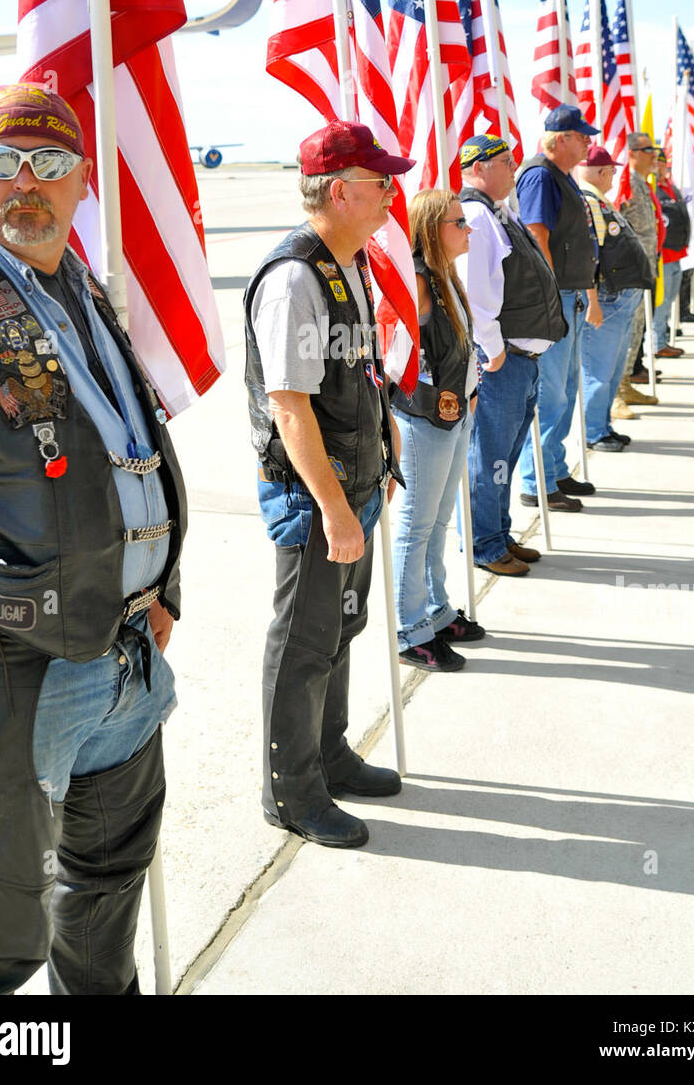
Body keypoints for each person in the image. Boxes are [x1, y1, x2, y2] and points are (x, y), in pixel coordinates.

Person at [0, 83, 184, 995]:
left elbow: (127, 441)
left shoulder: (75, 279)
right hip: (11, 671)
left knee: (105, 886)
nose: (24, 182)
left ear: (81, 180)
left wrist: (159, 587)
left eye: (48, 164)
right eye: (0, 161)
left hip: (121, 658)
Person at [244, 121, 409, 850]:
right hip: (317, 498)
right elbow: (289, 405)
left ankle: (330, 754)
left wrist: (385, 442)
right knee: (303, 641)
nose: (391, 195)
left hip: (355, 484)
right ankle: (291, 791)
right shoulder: (293, 280)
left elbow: (356, 373)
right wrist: (334, 508)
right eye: (380, 184)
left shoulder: (351, 263)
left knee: (341, 627)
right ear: (340, 191)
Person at [457, 134, 565, 570]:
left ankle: (498, 533)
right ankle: (485, 544)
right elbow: (474, 291)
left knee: (505, 456)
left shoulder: (498, 211)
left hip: (521, 361)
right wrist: (493, 350)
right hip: (502, 362)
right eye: (505, 161)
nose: (514, 166)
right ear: (479, 167)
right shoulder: (477, 216)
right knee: (491, 458)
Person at [389, 190, 483, 672]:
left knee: (439, 521)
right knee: (415, 525)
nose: (468, 229)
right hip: (425, 419)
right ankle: (409, 631)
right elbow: (389, 353)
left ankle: (434, 610)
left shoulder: (445, 276)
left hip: (453, 416)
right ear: (432, 229)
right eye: (458, 222)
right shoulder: (420, 281)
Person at [515, 105, 601, 511]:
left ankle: (555, 468)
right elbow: (537, 236)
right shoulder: (539, 176)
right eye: (582, 136)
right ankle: (537, 482)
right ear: (560, 138)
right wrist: (550, 299)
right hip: (556, 299)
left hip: (571, 296)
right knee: (551, 396)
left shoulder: (562, 175)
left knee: (567, 389)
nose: (589, 142)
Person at [578, 145, 655, 450]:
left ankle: (603, 427)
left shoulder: (598, 200)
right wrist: (593, 302)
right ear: (602, 172)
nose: (614, 176)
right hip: (606, 300)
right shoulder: (588, 202)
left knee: (610, 368)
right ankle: (594, 432)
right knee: (599, 370)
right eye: (611, 170)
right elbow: (589, 256)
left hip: (617, 298)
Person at [615, 133, 664, 411]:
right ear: (632, 152)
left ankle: (625, 384)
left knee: (636, 331)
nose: (654, 155)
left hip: (644, 270)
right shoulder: (626, 184)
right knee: (625, 332)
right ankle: (615, 395)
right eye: (648, 149)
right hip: (629, 275)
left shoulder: (641, 184)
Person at [653, 151, 690, 358]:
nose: (659, 166)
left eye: (662, 162)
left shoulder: (670, 187)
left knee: (669, 301)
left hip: (676, 254)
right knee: (662, 301)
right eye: (656, 162)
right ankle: (657, 344)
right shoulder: (653, 189)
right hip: (663, 256)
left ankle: (662, 339)